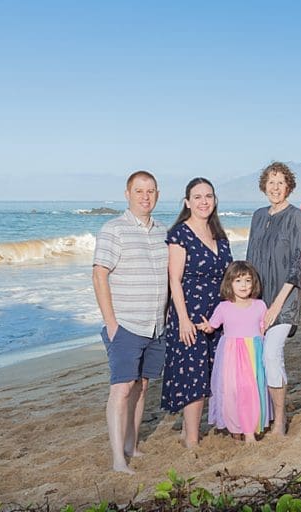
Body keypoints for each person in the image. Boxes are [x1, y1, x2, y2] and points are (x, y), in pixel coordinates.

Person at [92, 170, 168, 473]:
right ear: (128, 194)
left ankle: (132, 446)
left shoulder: (164, 231)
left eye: (150, 191)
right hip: (126, 324)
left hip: (155, 325)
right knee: (122, 388)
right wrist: (111, 323)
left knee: (142, 386)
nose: (145, 196)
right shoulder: (114, 229)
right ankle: (118, 460)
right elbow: (99, 275)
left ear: (157, 195)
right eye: (139, 191)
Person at [161, 177, 233, 448]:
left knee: (212, 372)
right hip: (189, 314)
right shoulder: (180, 234)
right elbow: (174, 280)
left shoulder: (220, 237)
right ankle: (191, 438)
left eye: (209, 196)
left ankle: (188, 432)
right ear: (187, 202)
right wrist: (182, 319)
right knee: (193, 376)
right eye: (198, 197)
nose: (204, 201)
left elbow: (228, 277)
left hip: (216, 316)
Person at [245, 162, 301, 436]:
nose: (275, 187)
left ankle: (280, 419)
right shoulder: (258, 216)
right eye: (271, 182)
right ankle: (263, 414)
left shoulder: (297, 217)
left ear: (289, 187)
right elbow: (249, 261)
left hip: (284, 300)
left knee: (272, 354)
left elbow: (297, 264)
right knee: (254, 359)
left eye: (281, 182)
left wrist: (275, 306)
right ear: (264, 186)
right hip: (257, 300)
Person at [197, 261, 271, 442]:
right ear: (229, 283)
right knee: (231, 392)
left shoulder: (260, 305)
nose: (244, 285)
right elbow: (213, 326)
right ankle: (235, 430)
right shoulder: (224, 307)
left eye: (247, 280)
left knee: (252, 390)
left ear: (254, 283)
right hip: (230, 356)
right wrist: (206, 327)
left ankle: (249, 430)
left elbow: (264, 328)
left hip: (253, 354)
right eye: (238, 281)